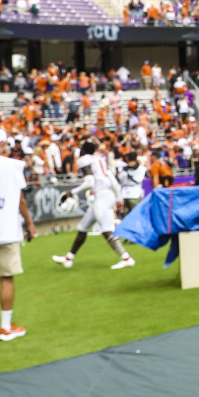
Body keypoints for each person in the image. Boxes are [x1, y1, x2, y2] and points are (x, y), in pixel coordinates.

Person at [51, 139, 136, 270]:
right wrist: (118, 199)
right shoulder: (100, 159)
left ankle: (126, 258)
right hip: (106, 195)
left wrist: (72, 192)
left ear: (83, 151)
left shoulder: (84, 160)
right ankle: (69, 258)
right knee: (83, 227)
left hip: (101, 196)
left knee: (106, 230)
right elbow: (113, 181)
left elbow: (90, 183)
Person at [0, 150, 35, 341]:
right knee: (6, 277)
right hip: (5, 229)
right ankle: (5, 327)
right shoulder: (12, 166)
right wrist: (29, 222)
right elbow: (21, 200)